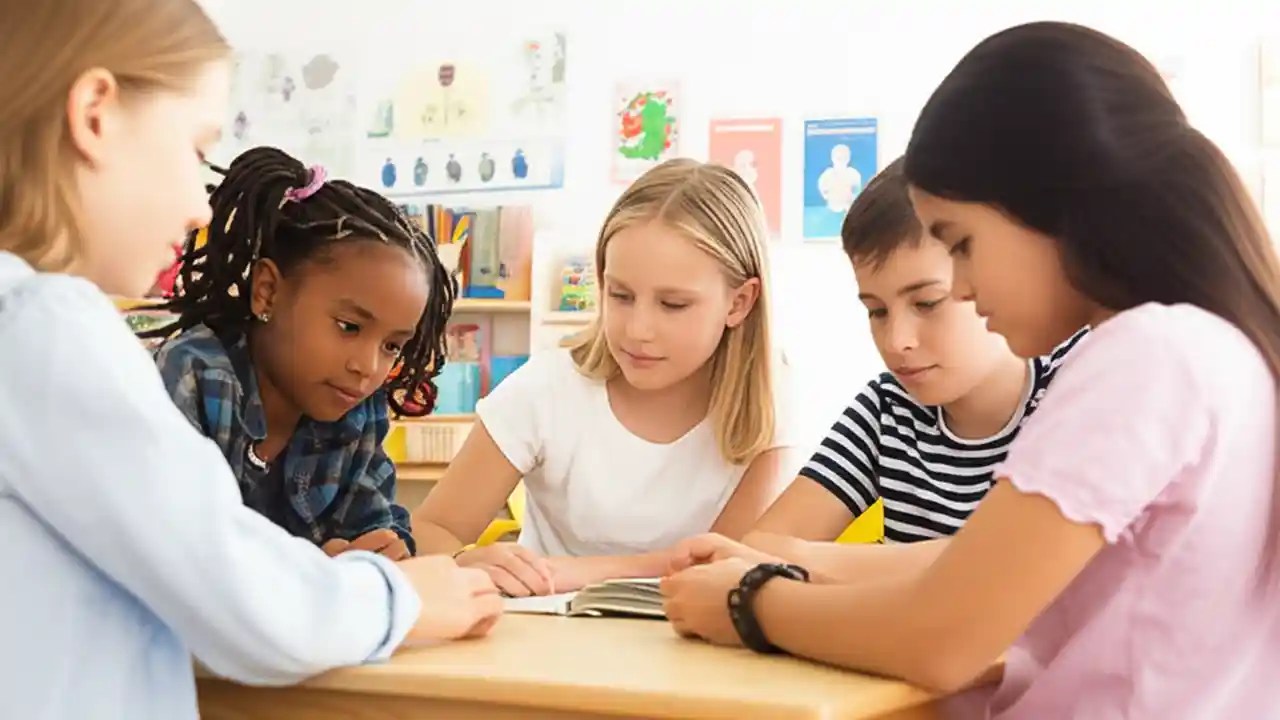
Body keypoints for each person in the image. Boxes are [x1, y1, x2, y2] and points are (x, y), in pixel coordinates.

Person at [662, 22, 1280, 719]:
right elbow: (973, 576)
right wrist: (790, 572)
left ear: (1051, 202)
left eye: (961, 245)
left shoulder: (1145, 357)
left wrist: (753, 604)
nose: (960, 285)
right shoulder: (1222, 348)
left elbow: (941, 639)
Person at [0, 2, 499, 717]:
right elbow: (239, 597)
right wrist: (403, 598)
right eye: (192, 151)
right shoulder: (41, 328)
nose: (198, 210)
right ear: (96, 115)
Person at [412, 159, 799, 597]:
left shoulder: (770, 398)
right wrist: (463, 561)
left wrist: (565, 574)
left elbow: (725, 567)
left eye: (673, 304)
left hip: (696, 649)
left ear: (739, 303)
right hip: (549, 648)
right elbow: (430, 530)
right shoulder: (546, 389)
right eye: (620, 295)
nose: (638, 330)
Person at [745, 158, 1084, 563]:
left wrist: (835, 566)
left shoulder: (1073, 388)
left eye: (927, 303)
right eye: (877, 311)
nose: (897, 341)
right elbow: (761, 551)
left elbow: (1018, 564)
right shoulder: (888, 407)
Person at [146, 146, 454, 561]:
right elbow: (172, 554)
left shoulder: (357, 413)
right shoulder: (193, 376)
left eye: (392, 346)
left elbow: (378, 524)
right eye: (349, 327)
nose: (367, 367)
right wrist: (310, 580)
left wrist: (382, 551)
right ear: (267, 291)